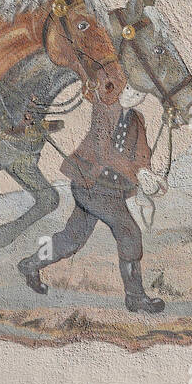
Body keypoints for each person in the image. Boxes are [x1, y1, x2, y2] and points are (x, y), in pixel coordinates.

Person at [17, 85, 170, 313]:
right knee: (129, 232)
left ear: (142, 99)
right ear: (120, 87)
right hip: (89, 185)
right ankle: (135, 297)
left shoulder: (137, 119)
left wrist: (149, 175)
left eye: (138, 94)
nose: (130, 95)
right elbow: (104, 152)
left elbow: (141, 155)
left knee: (72, 239)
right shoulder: (103, 109)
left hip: (113, 190)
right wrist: (138, 173)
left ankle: (30, 264)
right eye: (127, 88)